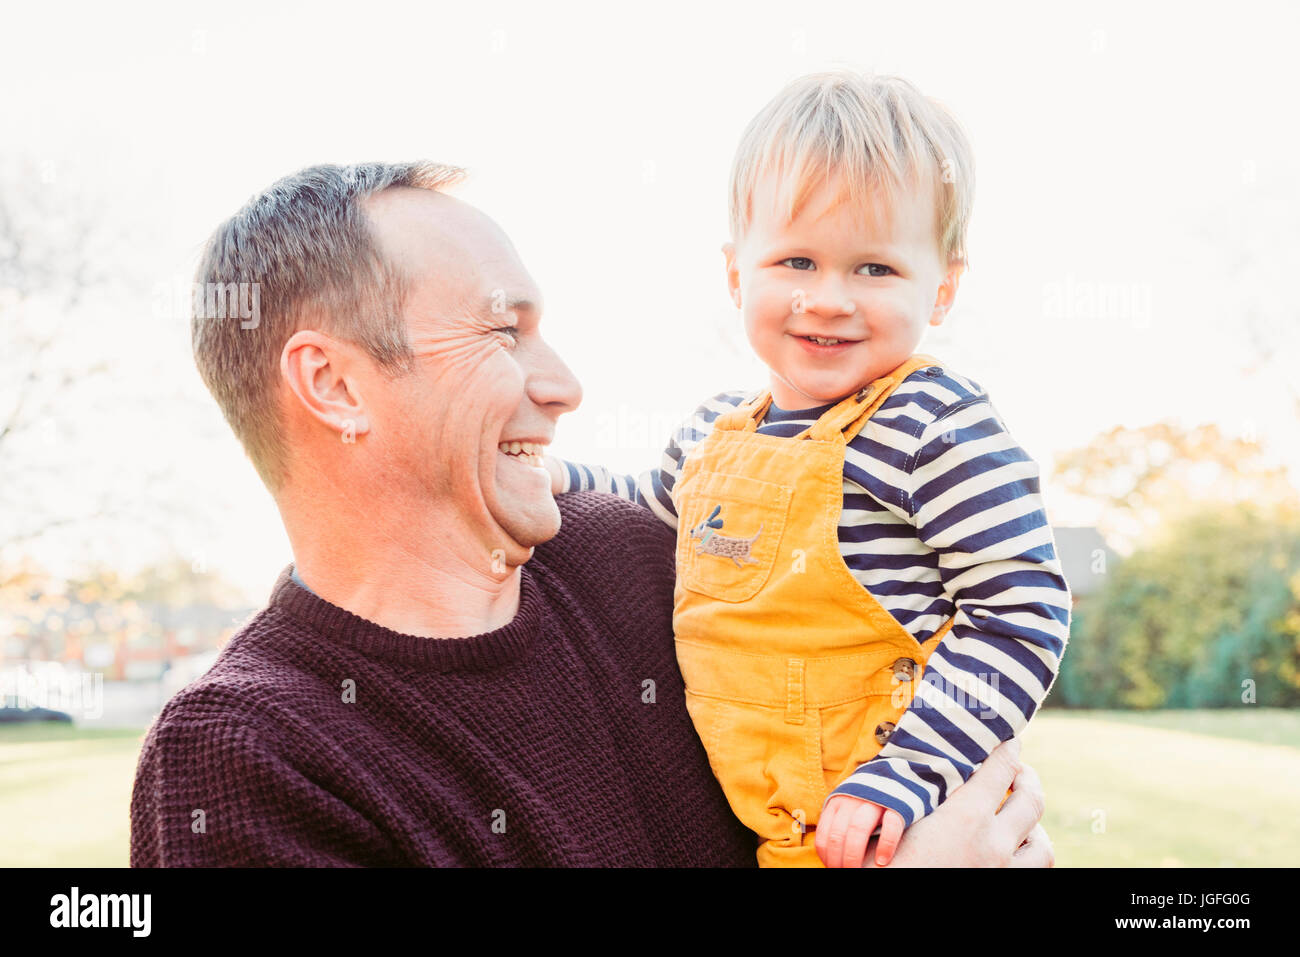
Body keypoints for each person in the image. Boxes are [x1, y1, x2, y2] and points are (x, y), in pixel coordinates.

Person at [130, 160, 1054, 867]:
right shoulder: (249, 756)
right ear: (334, 384)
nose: (566, 385)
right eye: (504, 331)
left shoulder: (653, 563)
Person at [548, 72, 1072, 868]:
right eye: (796, 260)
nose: (828, 299)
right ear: (735, 273)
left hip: (901, 821)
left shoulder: (934, 422)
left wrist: (908, 771)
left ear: (944, 289)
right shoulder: (710, 433)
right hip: (777, 828)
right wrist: (555, 478)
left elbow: (1019, 607)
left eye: (875, 269)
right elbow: (650, 511)